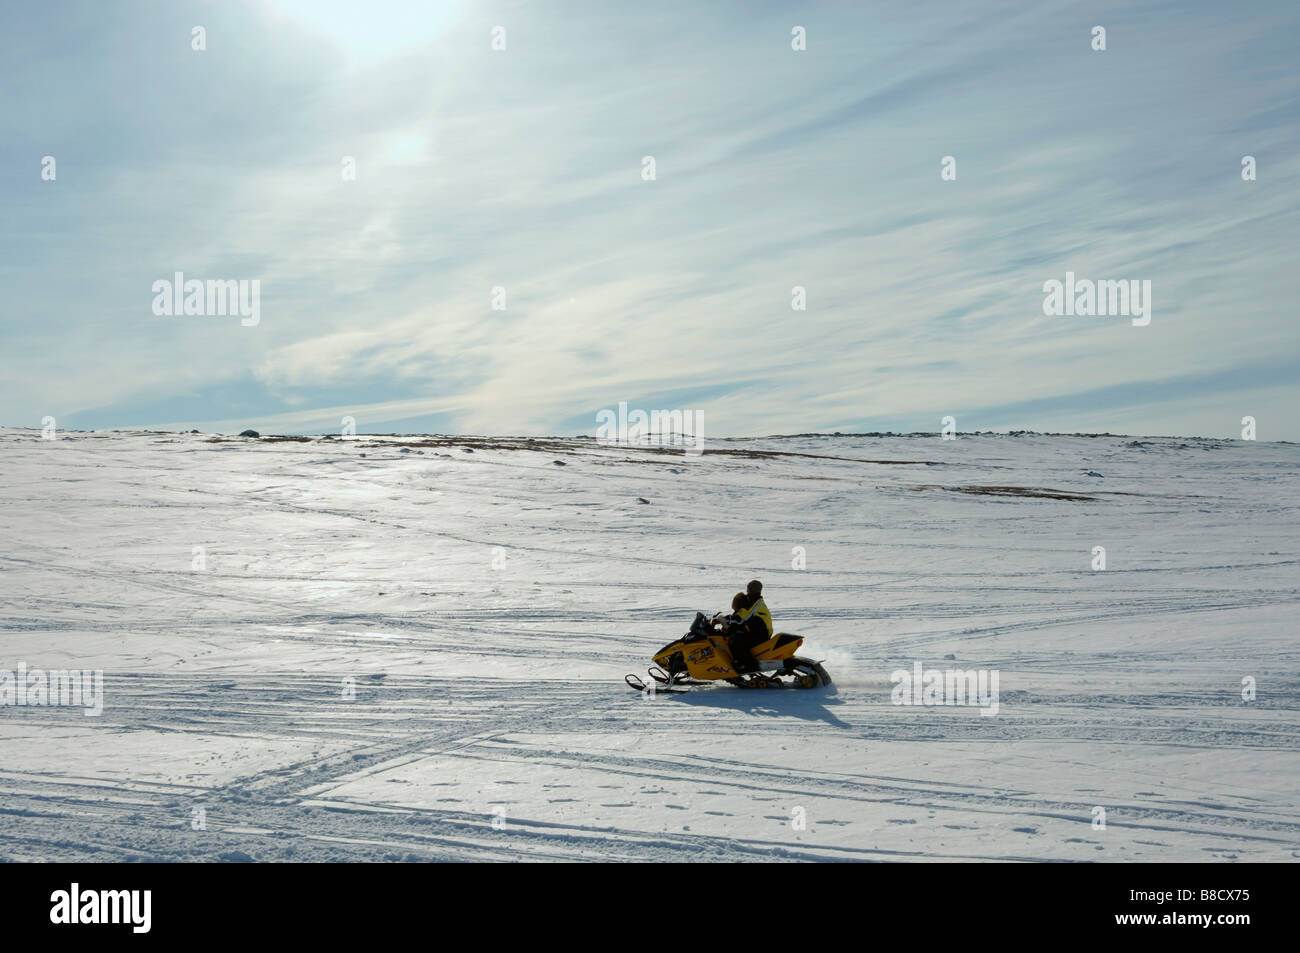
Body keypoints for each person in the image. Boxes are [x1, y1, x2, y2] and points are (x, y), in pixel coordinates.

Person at [723, 580, 773, 673]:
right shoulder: (752, 600)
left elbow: (742, 618)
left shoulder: (755, 603)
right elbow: (741, 615)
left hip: (761, 634)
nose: (747, 591)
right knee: (733, 635)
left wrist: (727, 620)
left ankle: (748, 665)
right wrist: (725, 618)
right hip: (756, 631)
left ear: (750, 590)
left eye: (748, 589)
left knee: (736, 642)